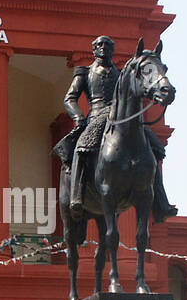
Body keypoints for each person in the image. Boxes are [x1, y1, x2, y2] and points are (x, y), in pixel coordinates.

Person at [59, 35, 177, 221]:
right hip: (97, 116)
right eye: (100, 45)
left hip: (120, 116)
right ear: (94, 49)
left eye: (108, 45)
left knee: (156, 148)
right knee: (82, 146)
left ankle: (161, 201)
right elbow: (70, 98)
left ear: (113, 50)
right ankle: (76, 194)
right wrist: (78, 117)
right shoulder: (85, 73)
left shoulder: (122, 73)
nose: (104, 48)